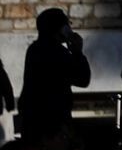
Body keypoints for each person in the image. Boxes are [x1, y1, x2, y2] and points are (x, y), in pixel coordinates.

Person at [17, 8, 90, 140]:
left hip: (32, 120)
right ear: (62, 29)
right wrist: (77, 52)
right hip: (53, 125)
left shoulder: (34, 49)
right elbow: (83, 79)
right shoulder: (58, 53)